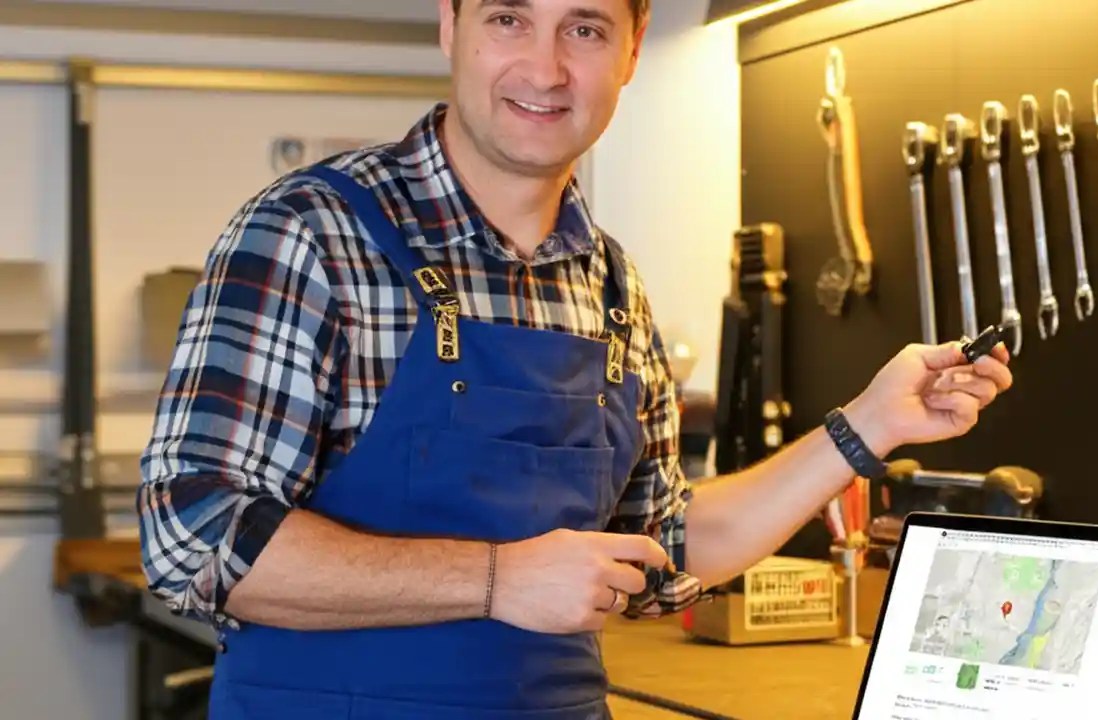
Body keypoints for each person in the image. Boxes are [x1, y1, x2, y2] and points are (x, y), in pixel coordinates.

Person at [136, 0, 1013, 717]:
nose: (547, 69)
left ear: (632, 50)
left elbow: (665, 547)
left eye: (585, 29)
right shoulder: (311, 234)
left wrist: (869, 424)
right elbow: (194, 531)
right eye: (510, 19)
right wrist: (496, 579)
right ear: (450, 26)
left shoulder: (612, 286)